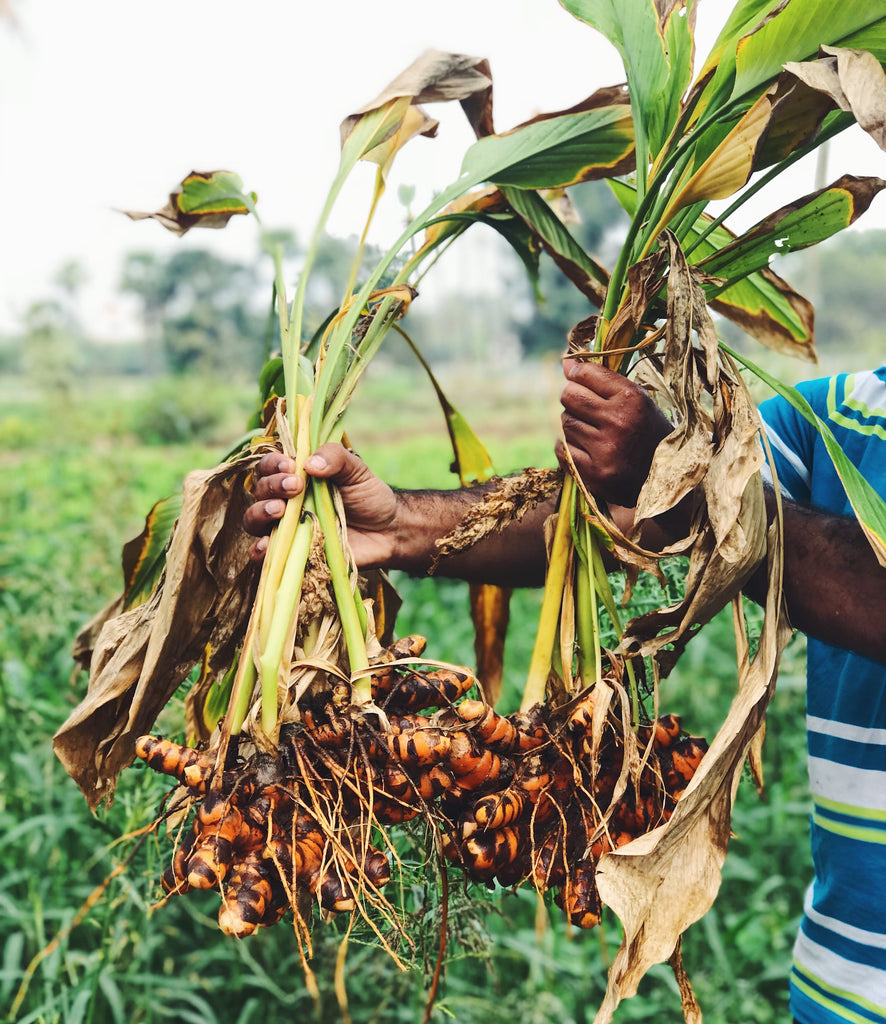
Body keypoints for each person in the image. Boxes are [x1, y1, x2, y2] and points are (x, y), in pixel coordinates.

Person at [244, 359, 886, 1024]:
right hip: (837, 986)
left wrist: (677, 483)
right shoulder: (836, 411)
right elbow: (622, 513)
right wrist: (401, 522)